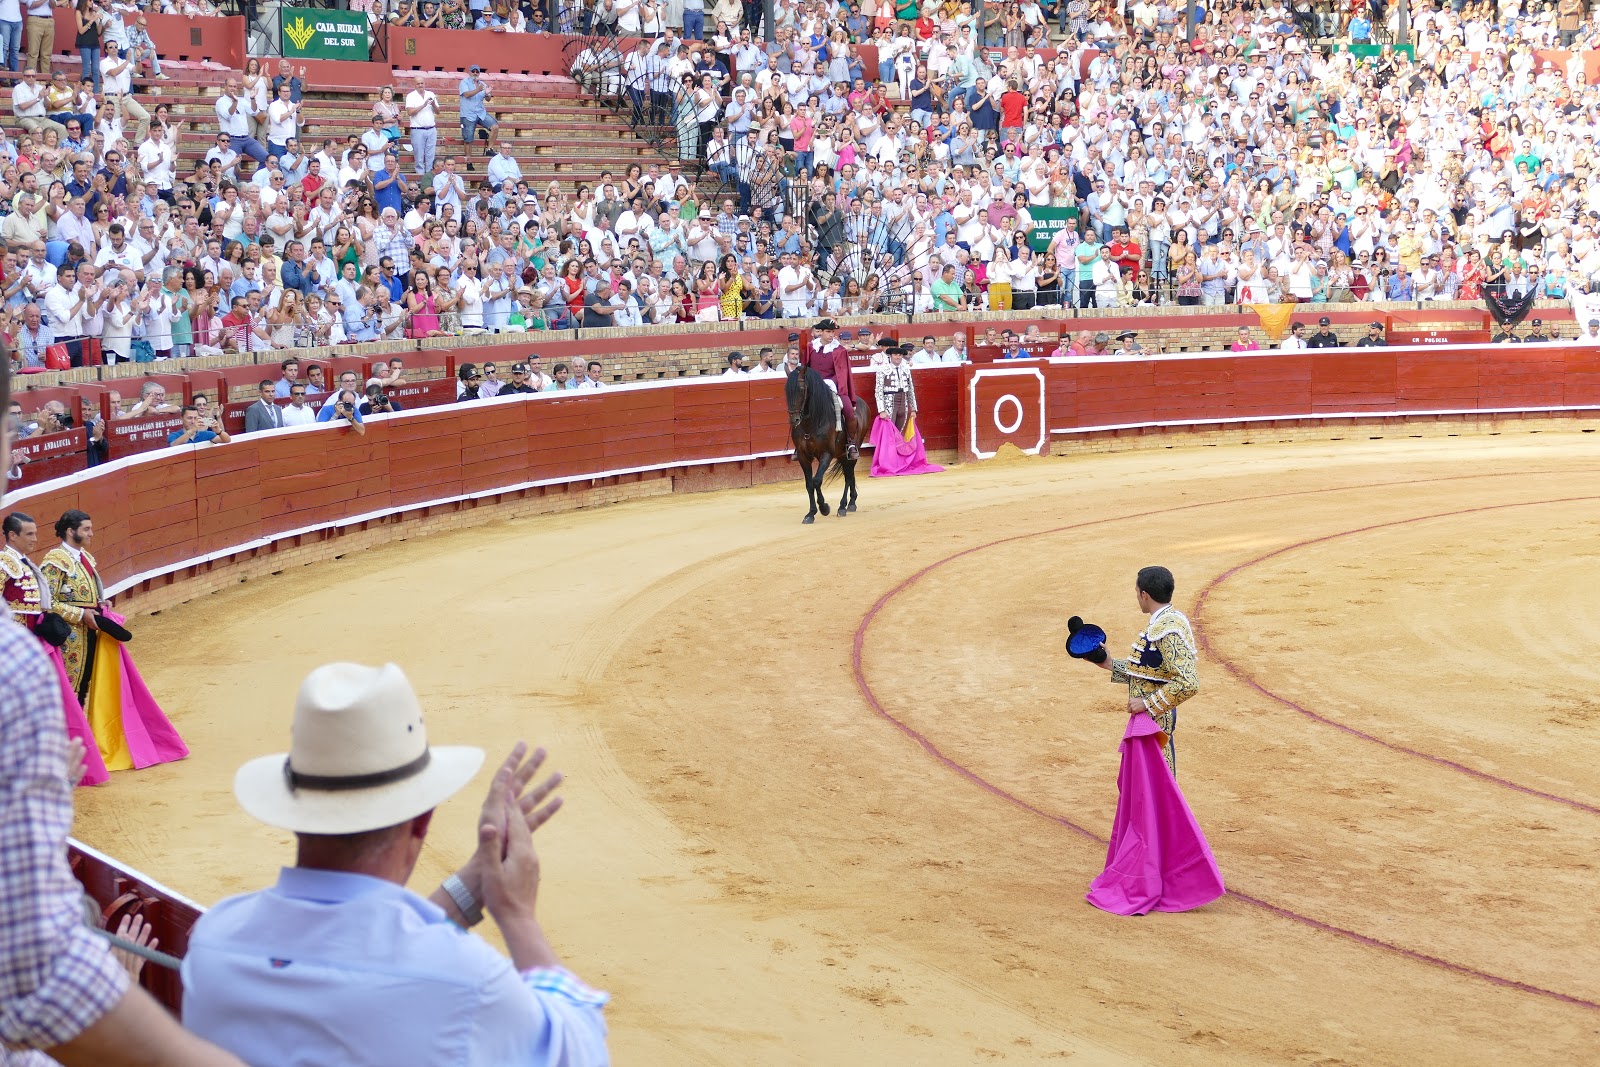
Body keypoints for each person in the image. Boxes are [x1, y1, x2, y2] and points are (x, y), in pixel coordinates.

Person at [179, 662, 612, 1066]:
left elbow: (354, 961)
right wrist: (516, 915)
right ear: (423, 820)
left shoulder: (214, 943)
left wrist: (470, 887)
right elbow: (581, 1050)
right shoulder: (466, 981)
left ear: (295, 815)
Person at [0, 361, 247, 1067]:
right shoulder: (11, 659)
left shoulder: (55, 567)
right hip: (61, 637)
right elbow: (36, 971)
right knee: (68, 700)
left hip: (72, 632)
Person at [1076, 569, 1224, 917]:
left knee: (1158, 795)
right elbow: (1153, 672)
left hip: (1152, 724)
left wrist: (1148, 705)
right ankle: (1163, 867)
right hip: (1147, 722)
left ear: (1143, 594)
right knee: (1154, 795)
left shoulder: (1166, 629)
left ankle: (1171, 874)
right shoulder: (1169, 620)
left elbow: (1188, 682)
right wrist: (1108, 663)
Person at [40, 509, 188, 771]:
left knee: (82, 690)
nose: (91, 534)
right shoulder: (55, 561)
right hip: (69, 637)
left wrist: (99, 604)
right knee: (67, 692)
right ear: (70, 531)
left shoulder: (84, 557)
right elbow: (47, 602)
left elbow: (83, 594)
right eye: (86, 529)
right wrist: (80, 613)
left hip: (89, 632)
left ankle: (74, 749)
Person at [2, 510, 107, 786]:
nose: (36, 539)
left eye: (36, 533)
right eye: (29, 534)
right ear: (12, 535)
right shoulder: (5, 564)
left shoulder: (23, 563)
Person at [868, 345, 942, 478]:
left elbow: (911, 390)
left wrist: (913, 408)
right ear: (890, 356)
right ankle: (889, 464)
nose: (898, 357)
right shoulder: (883, 370)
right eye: (896, 355)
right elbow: (878, 391)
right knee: (889, 437)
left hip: (903, 402)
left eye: (900, 355)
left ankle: (898, 463)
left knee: (900, 433)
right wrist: (882, 410)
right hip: (890, 402)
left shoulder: (906, 369)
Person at [801, 318, 860, 459]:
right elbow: (805, 368)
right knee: (798, 410)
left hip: (833, 387)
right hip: (813, 388)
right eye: (828, 331)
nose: (831, 335)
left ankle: (851, 443)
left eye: (833, 332)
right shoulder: (810, 347)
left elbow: (842, 373)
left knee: (849, 411)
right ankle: (800, 445)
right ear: (820, 332)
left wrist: (828, 383)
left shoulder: (839, 351)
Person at [166, 405, 232, 447]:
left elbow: (227, 440)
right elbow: (174, 445)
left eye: (195, 418)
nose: (193, 421)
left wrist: (218, 431)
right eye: (189, 418)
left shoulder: (205, 434)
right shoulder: (174, 435)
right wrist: (192, 430)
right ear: (181, 418)